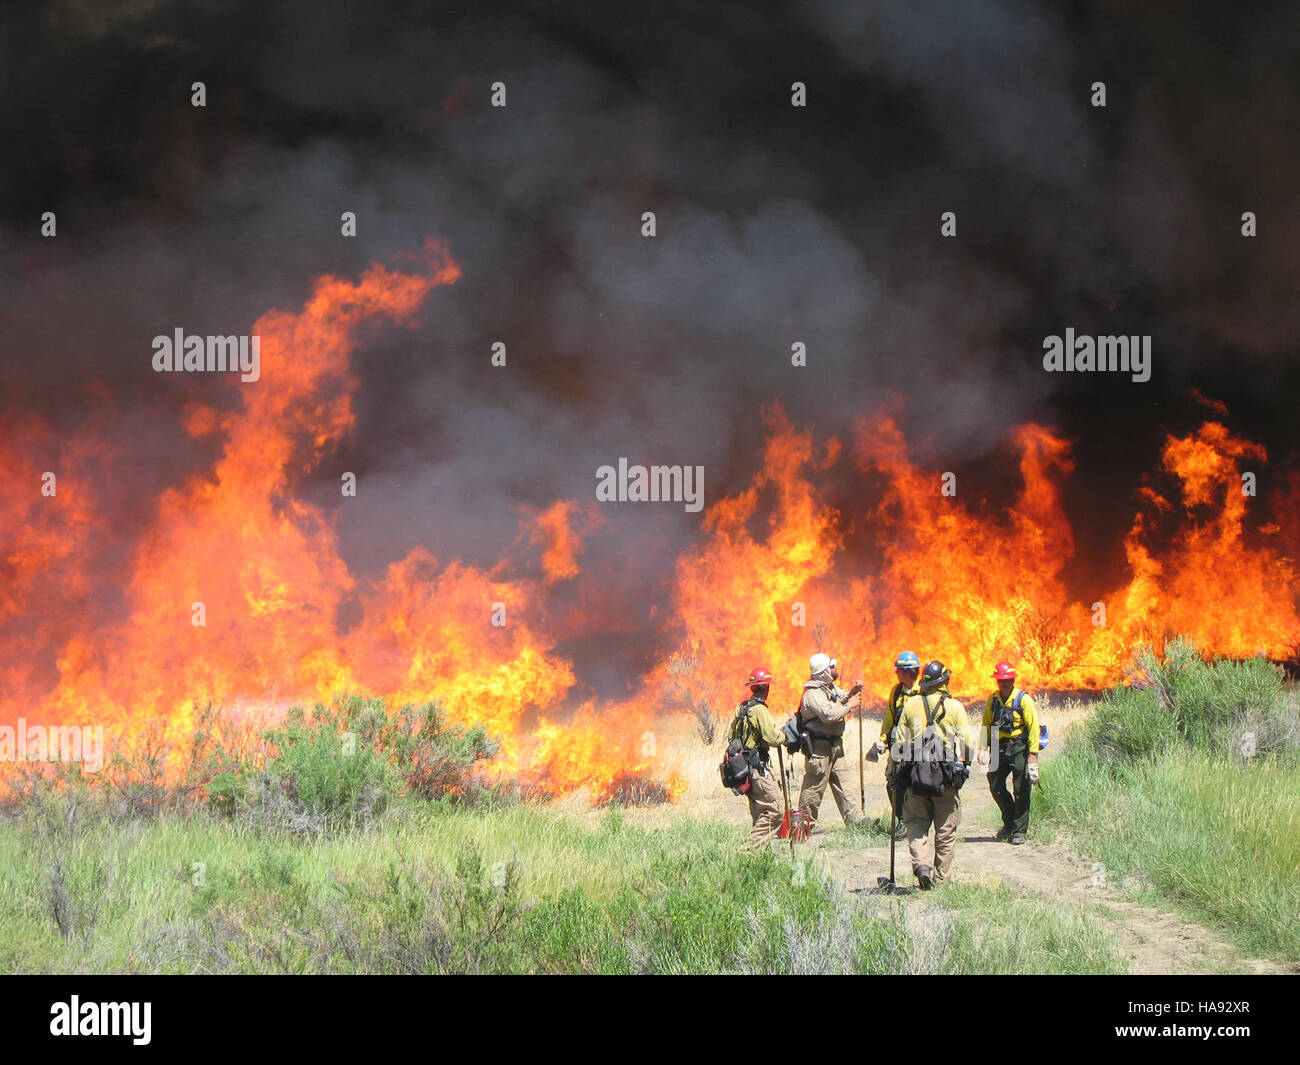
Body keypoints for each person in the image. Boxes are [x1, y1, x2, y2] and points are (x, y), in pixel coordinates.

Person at [894, 660, 972, 889]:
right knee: (945, 830)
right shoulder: (955, 707)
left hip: (916, 777)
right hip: (945, 779)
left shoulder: (911, 705)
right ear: (944, 682)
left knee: (916, 824)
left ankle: (921, 866)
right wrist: (963, 763)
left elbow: (899, 743)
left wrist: (896, 771)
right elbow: (967, 742)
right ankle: (940, 879)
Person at [796, 653, 864, 828]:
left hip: (835, 746)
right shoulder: (812, 693)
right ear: (822, 671)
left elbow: (839, 700)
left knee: (845, 783)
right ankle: (803, 826)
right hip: (819, 749)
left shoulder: (828, 688)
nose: (832, 670)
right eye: (829, 667)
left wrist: (852, 692)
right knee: (814, 788)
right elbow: (828, 714)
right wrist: (850, 705)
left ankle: (856, 822)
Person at [977, 661, 1040, 845]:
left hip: (1019, 747)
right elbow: (986, 725)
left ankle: (1019, 831)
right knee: (995, 783)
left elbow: (1033, 727)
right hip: (998, 746)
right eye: (1000, 680)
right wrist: (983, 748)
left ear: (1012, 680)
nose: (1003, 683)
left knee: (1021, 789)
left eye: (1006, 680)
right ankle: (1010, 822)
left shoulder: (1023, 699)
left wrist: (1033, 755)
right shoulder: (993, 700)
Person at [728, 667, 786, 853]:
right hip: (756, 768)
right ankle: (747, 852)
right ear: (765, 688)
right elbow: (773, 739)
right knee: (776, 809)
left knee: (760, 811)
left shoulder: (742, 708)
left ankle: (759, 857)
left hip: (745, 767)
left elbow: (731, 737)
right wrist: (785, 735)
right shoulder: (759, 710)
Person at [875, 651, 920, 839]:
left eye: (899, 671)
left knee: (916, 783)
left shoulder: (923, 691)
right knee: (893, 783)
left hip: (917, 747)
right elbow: (889, 718)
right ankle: (902, 819)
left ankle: (917, 821)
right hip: (897, 747)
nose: (896, 674)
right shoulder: (897, 691)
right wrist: (883, 739)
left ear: (908, 671)